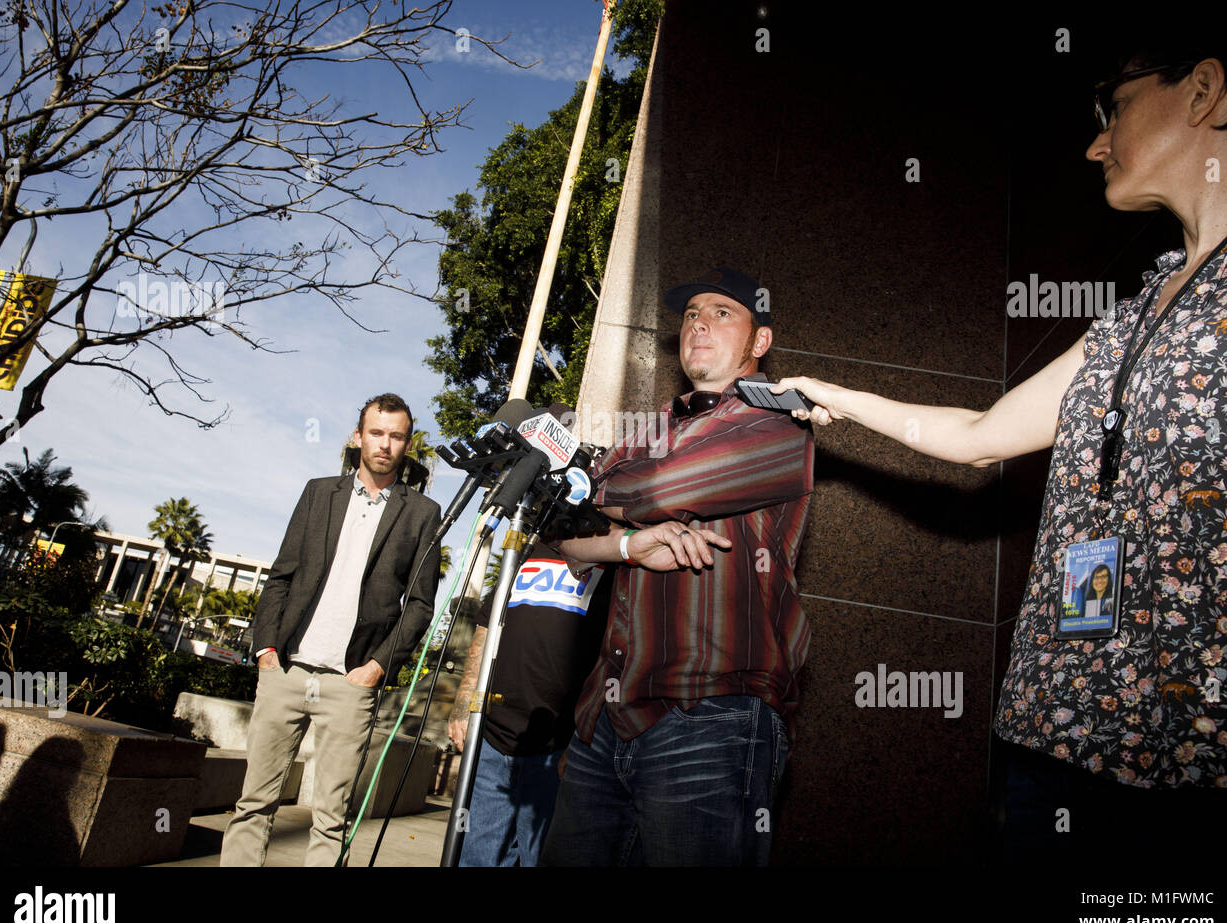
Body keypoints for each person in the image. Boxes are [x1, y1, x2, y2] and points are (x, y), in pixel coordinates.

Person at [772, 32, 1227, 857]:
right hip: (1059, 732)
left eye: (1114, 109)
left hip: (1211, 759)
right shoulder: (1130, 316)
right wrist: (838, 399)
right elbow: (980, 437)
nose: (1095, 142)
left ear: (1204, 89)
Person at [540, 267, 815, 866]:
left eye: (722, 313)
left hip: (715, 712)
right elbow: (565, 534)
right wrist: (628, 546)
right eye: (692, 313)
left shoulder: (781, 421)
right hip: (604, 716)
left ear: (758, 342)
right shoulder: (649, 428)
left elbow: (655, 489)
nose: (700, 324)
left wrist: (602, 489)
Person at [220, 393, 441, 867]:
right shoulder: (319, 493)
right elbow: (281, 576)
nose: (385, 444)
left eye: (396, 436)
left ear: (407, 444)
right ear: (359, 437)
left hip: (350, 682)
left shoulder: (422, 513)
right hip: (286, 670)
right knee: (253, 804)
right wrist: (265, 649)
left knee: (331, 817)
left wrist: (379, 665)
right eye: (376, 433)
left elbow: (420, 605)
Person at [446, 540, 612, 866]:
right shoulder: (526, 548)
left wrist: (583, 739)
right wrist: (464, 703)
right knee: (474, 856)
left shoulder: (611, 557)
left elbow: (612, 654)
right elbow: (486, 624)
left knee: (540, 857)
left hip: (557, 748)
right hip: (492, 738)